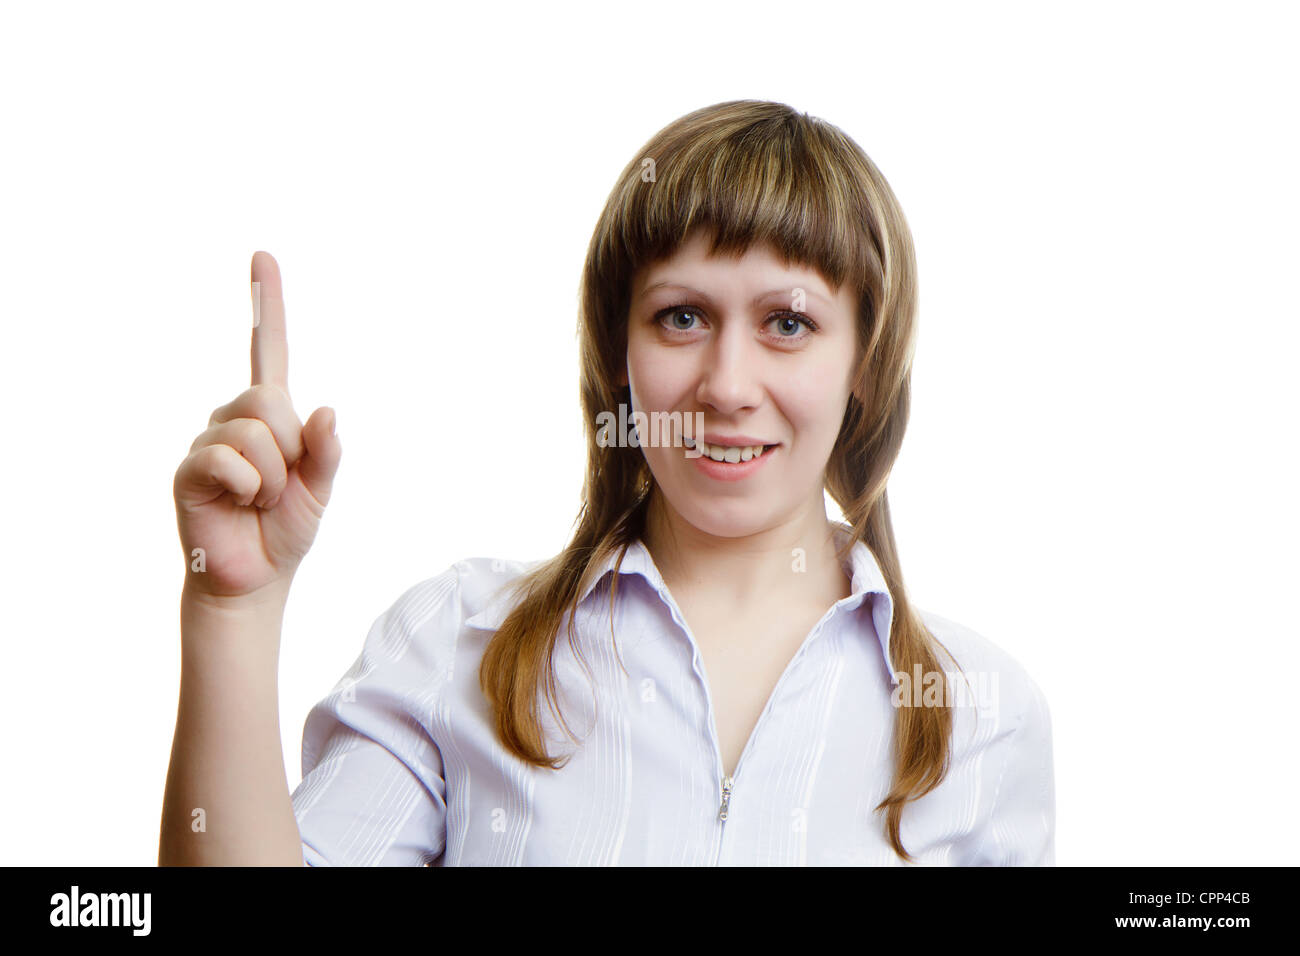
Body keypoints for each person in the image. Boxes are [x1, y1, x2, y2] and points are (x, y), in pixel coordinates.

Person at [160, 99, 1054, 867]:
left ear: (865, 361)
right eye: (681, 317)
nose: (729, 386)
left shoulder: (984, 714)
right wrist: (233, 612)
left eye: (788, 322)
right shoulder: (456, 644)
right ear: (620, 355)